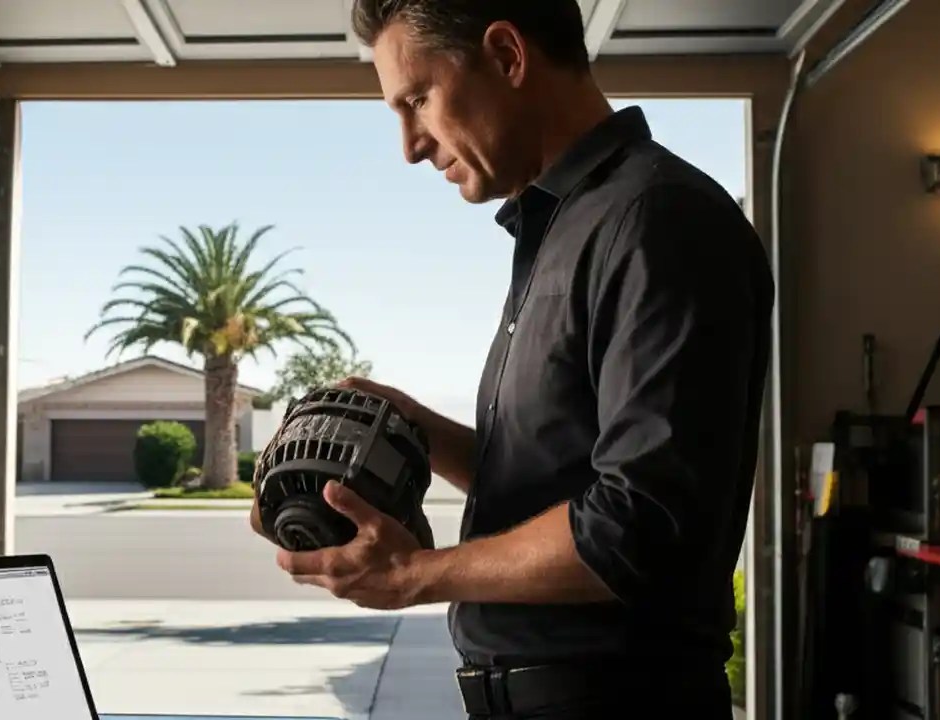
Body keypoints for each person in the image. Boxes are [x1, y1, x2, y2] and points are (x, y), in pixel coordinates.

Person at [249, 1, 774, 717]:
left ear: (506, 55)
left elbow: (641, 527)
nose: (410, 145)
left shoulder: (657, 221)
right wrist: (410, 429)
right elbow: (550, 480)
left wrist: (415, 574)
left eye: (417, 99)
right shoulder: (563, 226)